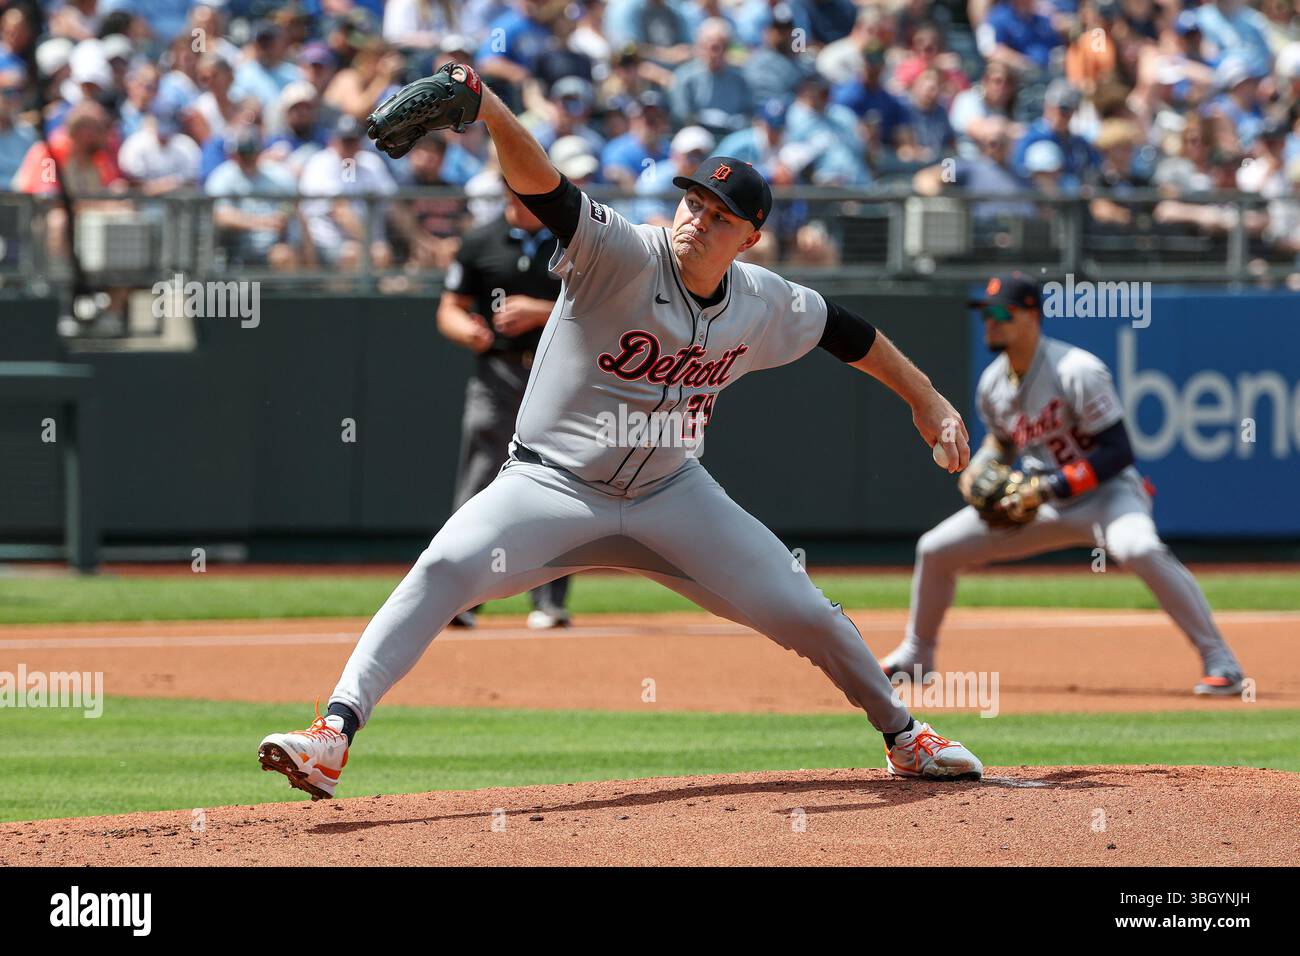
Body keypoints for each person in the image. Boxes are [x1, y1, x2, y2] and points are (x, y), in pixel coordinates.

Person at [257, 61, 985, 800]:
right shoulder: (622, 253)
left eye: (720, 214)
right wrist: (491, 112)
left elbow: (849, 332)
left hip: (674, 493)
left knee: (807, 612)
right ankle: (331, 735)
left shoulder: (764, 301)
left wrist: (926, 401)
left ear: (751, 238)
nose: (698, 218)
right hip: (550, 485)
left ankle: (905, 738)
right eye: (693, 201)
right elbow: (546, 187)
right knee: (442, 569)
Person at [878, 272, 1247, 699]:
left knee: (1140, 549)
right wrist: (982, 466)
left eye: (1002, 314)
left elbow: (1117, 451)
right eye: (985, 314)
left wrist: (1050, 485)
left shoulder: (1077, 370)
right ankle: (916, 655)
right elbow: (1003, 442)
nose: (990, 323)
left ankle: (1222, 661)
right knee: (936, 549)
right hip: (1037, 503)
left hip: (1108, 496)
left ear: (1032, 316)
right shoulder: (992, 384)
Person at [437, 190, 573, 630]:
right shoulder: (480, 241)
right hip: (495, 374)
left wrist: (539, 311)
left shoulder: (572, 239)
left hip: (558, 377)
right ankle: (460, 598)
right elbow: (450, 309)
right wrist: (468, 333)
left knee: (561, 484)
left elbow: (602, 311)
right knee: (479, 482)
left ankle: (549, 601)